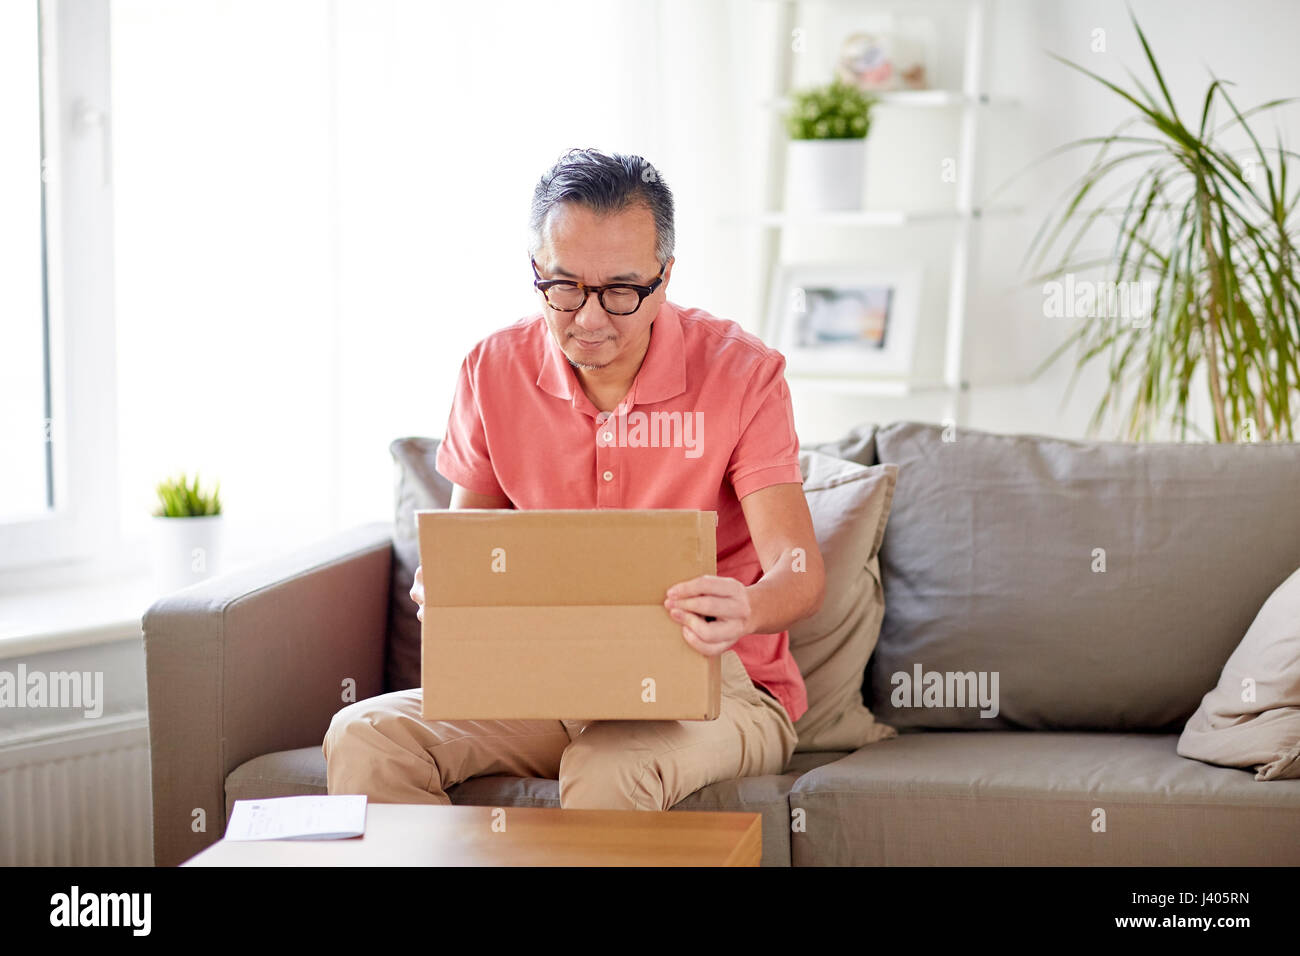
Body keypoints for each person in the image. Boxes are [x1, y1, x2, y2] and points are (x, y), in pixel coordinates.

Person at [322, 147, 825, 811]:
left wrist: (746, 609)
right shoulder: (491, 369)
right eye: (563, 287)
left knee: (608, 767)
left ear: (665, 277)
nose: (589, 319)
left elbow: (799, 572)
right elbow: (468, 542)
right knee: (364, 735)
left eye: (621, 291)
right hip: (545, 678)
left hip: (716, 686)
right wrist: (447, 585)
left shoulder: (742, 374)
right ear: (536, 270)